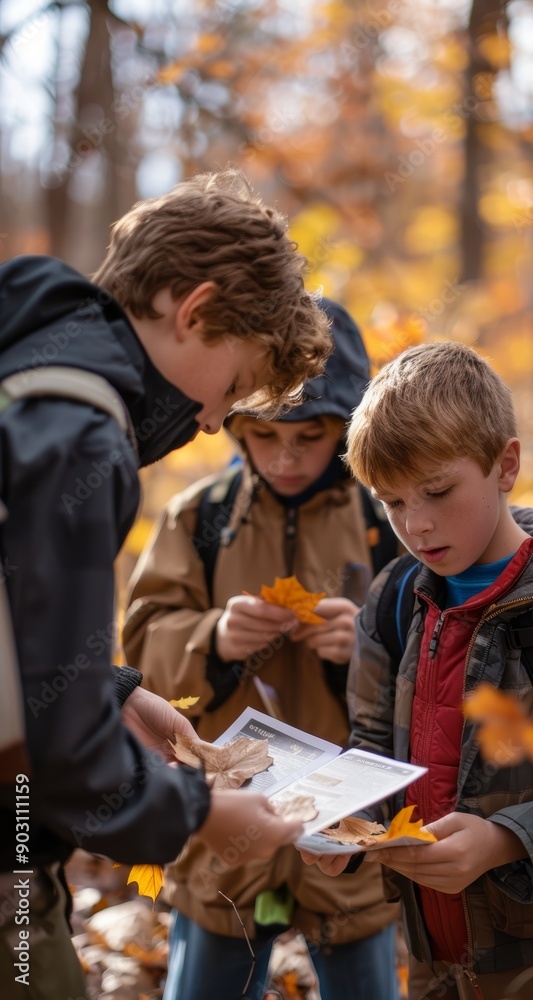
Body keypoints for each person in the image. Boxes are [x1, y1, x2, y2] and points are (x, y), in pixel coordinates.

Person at [0, 168, 331, 999]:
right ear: (196, 310)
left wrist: (113, 692)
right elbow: (61, 755)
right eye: (228, 386)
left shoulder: (25, 358)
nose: (215, 421)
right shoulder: (83, 436)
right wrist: (206, 813)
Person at [300, 341, 533, 1000]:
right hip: (424, 937)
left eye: (438, 491)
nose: (416, 524)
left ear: (506, 465)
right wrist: (334, 824)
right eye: (391, 502)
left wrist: (502, 841)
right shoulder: (393, 601)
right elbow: (371, 749)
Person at [122, 299, 401, 1000]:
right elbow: (137, 654)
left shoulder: (384, 523)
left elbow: (432, 662)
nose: (285, 456)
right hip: (228, 835)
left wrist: (363, 647)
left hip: (345, 837)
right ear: (236, 425)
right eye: (265, 434)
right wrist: (210, 637)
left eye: (310, 436)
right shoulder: (198, 518)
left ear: (347, 431)